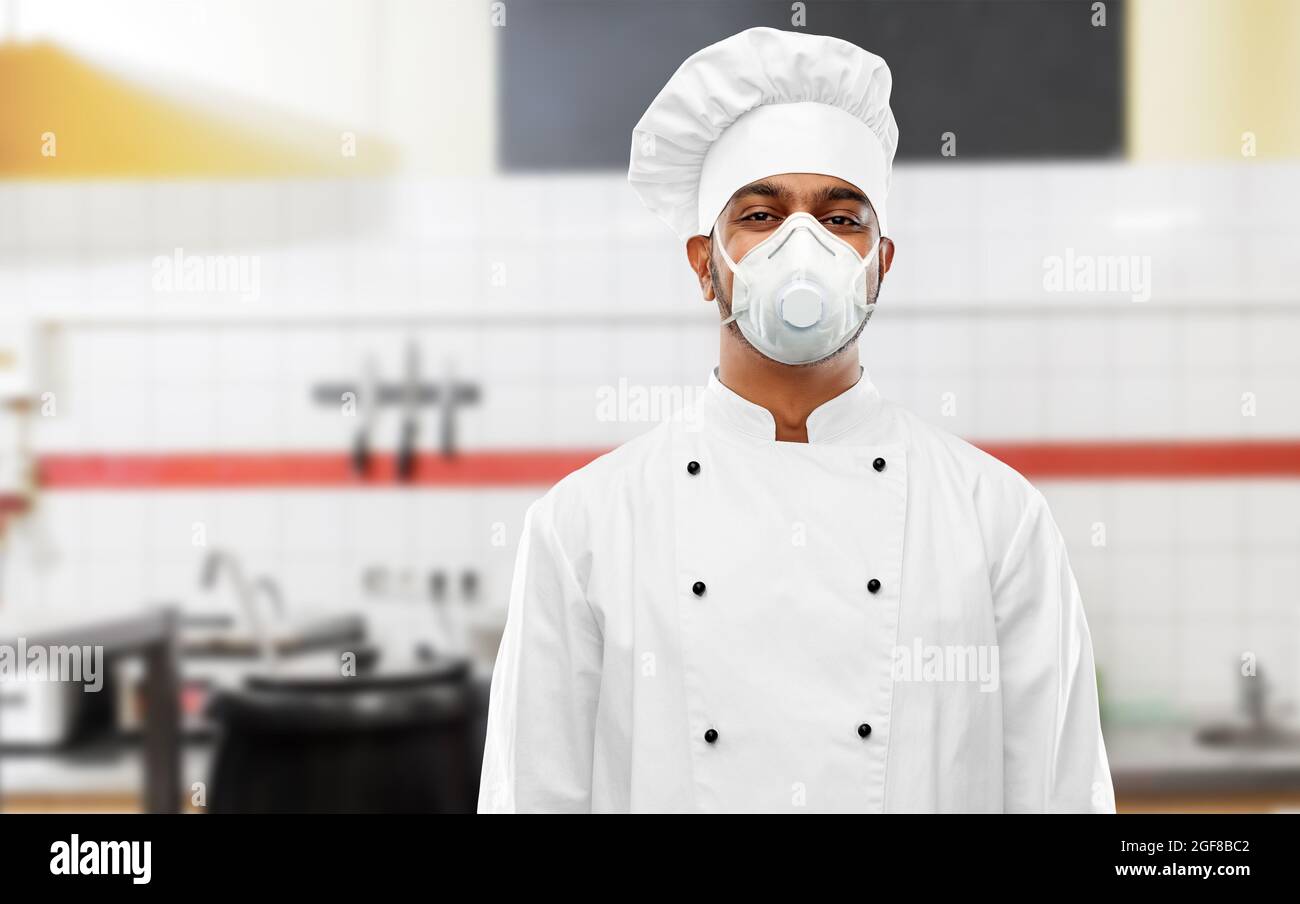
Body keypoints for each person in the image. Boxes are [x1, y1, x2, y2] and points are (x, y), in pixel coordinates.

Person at [479, 26, 1113, 813]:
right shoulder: (583, 528)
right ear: (704, 263)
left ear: (880, 264)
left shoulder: (998, 520)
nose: (802, 246)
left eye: (841, 219)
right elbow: (532, 794)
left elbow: (1058, 793)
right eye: (761, 215)